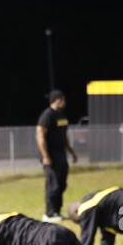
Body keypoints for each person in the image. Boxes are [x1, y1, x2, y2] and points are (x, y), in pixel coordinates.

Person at [37, 89, 78, 218]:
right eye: (63, 100)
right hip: (50, 156)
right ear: (58, 100)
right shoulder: (47, 115)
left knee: (62, 184)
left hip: (61, 155)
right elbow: (40, 136)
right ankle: (49, 213)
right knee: (53, 184)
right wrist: (45, 156)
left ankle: (57, 211)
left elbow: (64, 136)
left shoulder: (62, 115)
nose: (64, 102)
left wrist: (71, 151)